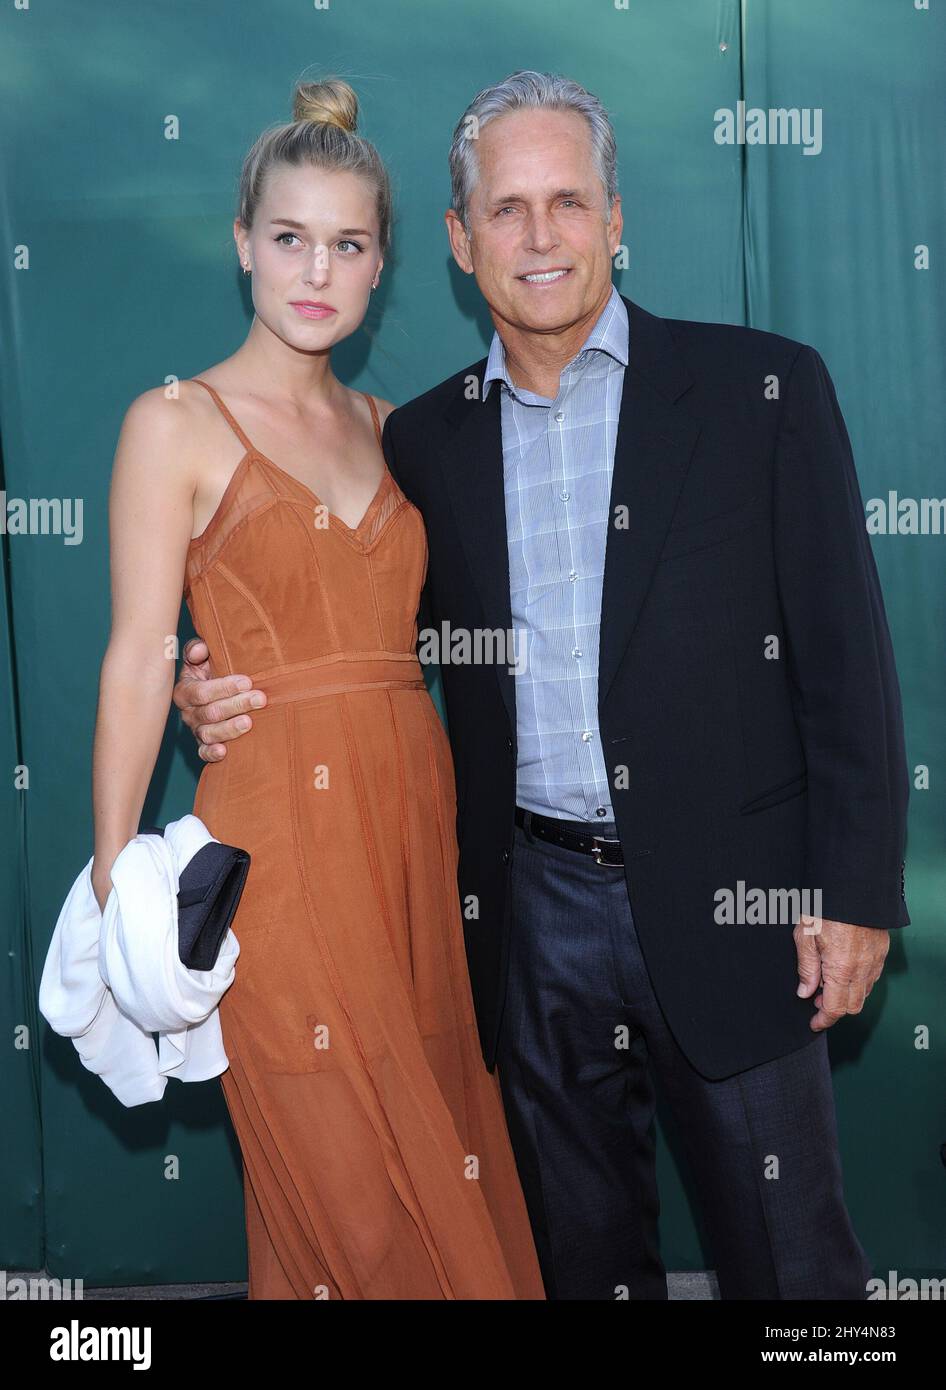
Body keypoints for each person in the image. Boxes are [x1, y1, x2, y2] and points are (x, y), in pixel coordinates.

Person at [174, 71, 910, 1300]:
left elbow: (847, 662)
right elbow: (343, 621)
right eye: (505, 210)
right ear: (460, 246)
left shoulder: (760, 392)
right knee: (578, 1264)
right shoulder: (422, 442)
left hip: (739, 912)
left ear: (616, 218)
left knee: (796, 1273)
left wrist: (854, 889)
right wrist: (215, 686)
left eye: (567, 201)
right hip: (529, 922)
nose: (540, 235)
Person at [93, 76, 545, 1301]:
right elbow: (141, 652)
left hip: (412, 834)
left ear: (384, 264)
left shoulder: (393, 427)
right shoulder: (173, 422)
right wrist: (109, 873)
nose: (315, 269)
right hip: (276, 843)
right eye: (289, 236)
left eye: (347, 245)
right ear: (242, 242)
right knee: (342, 1180)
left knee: (439, 1140)